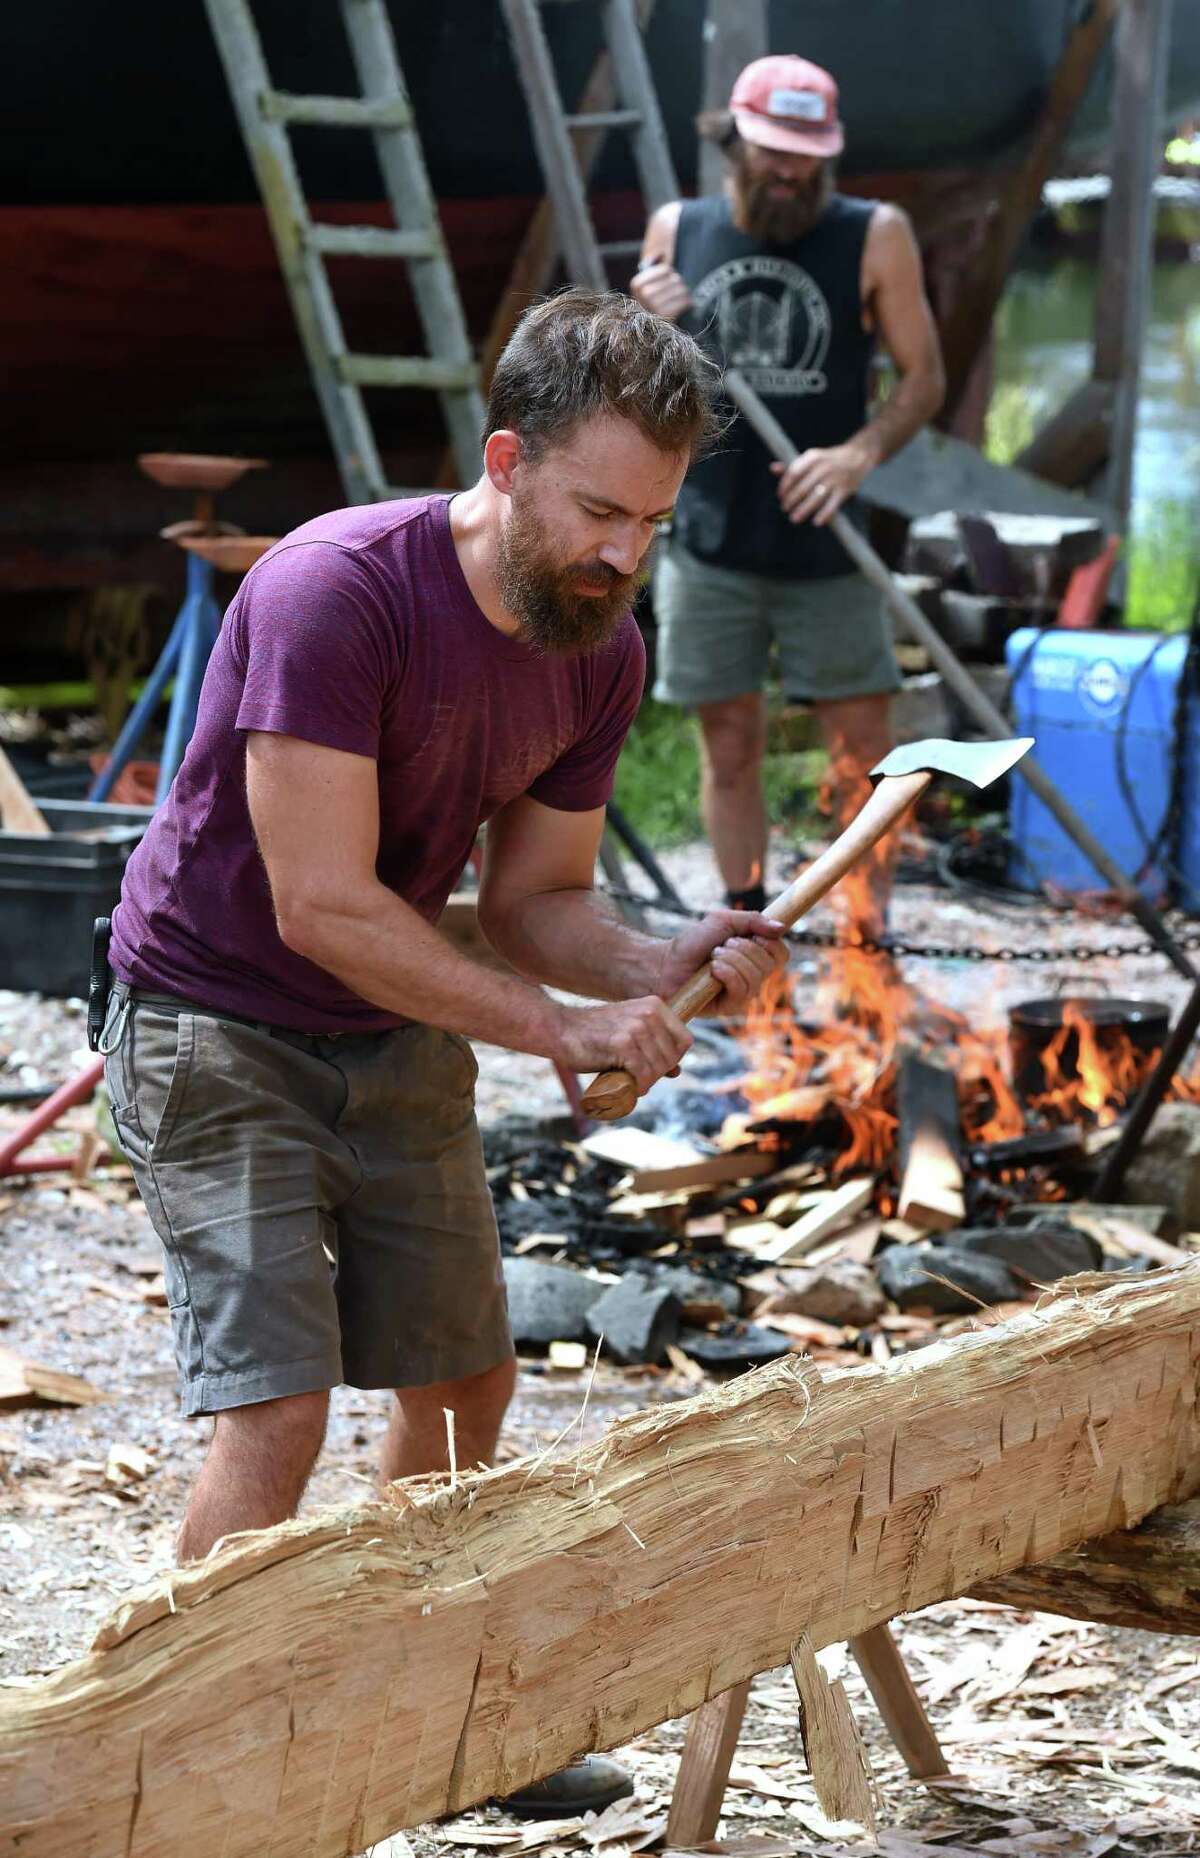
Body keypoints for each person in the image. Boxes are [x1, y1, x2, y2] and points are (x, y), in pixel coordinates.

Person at [99, 288, 785, 1814]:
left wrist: (651, 960)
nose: (623, 552)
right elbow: (324, 902)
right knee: (276, 1406)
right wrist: (561, 1026)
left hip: (387, 1018)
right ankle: (196, 1766)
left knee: (467, 1376)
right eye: (600, 509)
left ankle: (420, 1719)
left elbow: (540, 904)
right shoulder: (335, 590)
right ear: (503, 460)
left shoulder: (597, 646)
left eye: (653, 522)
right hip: (215, 1017)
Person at [632, 55, 945, 937]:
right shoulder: (677, 229)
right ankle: (745, 933)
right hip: (708, 542)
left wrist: (856, 455)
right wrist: (643, 325)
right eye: (774, 150)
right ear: (732, 139)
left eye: (808, 154)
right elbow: (637, 391)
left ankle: (865, 939)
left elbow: (923, 382)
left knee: (864, 757)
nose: (790, 170)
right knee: (728, 744)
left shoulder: (874, 233)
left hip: (828, 544)